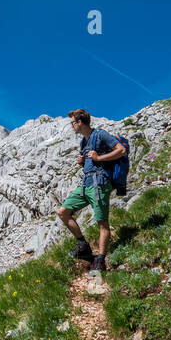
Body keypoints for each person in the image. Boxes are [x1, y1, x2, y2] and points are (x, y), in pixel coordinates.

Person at [57, 109, 125, 274]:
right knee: (63, 212)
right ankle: (83, 245)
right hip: (86, 184)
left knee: (102, 223)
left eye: (72, 122)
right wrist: (82, 162)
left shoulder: (100, 135)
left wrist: (99, 158)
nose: (72, 126)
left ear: (79, 122)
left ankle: (100, 260)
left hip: (100, 184)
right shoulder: (83, 142)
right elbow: (90, 162)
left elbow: (121, 150)